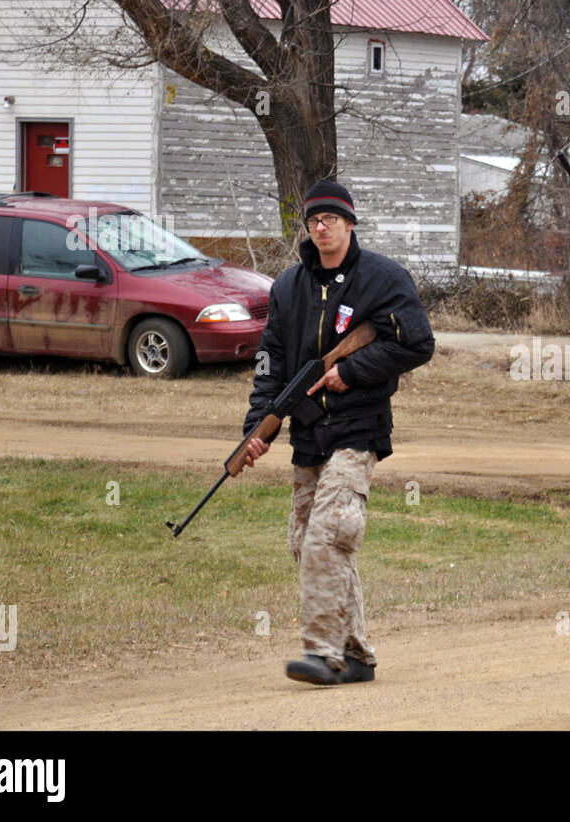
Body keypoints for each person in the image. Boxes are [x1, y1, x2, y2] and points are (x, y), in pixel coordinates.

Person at [242, 179, 434, 685]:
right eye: (313, 220)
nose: (321, 227)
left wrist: (351, 371)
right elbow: (270, 363)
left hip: (359, 427)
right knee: (304, 541)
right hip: (308, 433)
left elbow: (417, 344)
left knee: (330, 533)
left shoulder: (384, 279)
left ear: (350, 223)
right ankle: (357, 654)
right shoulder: (287, 287)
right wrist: (256, 427)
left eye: (330, 218)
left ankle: (322, 652)